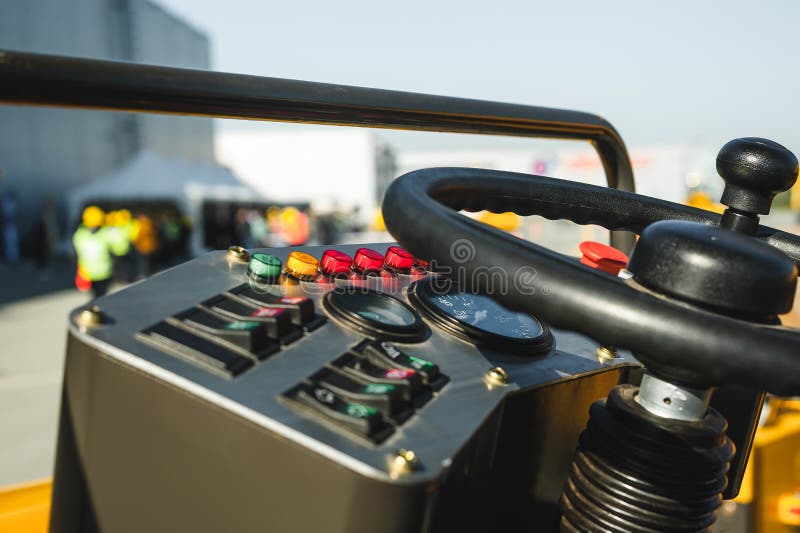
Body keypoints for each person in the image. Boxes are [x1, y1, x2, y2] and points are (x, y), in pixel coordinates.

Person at [73, 205, 114, 298]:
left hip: (90, 272)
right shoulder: (105, 233)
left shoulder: (80, 234)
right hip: (99, 273)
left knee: (96, 298)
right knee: (100, 298)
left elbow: (76, 254)